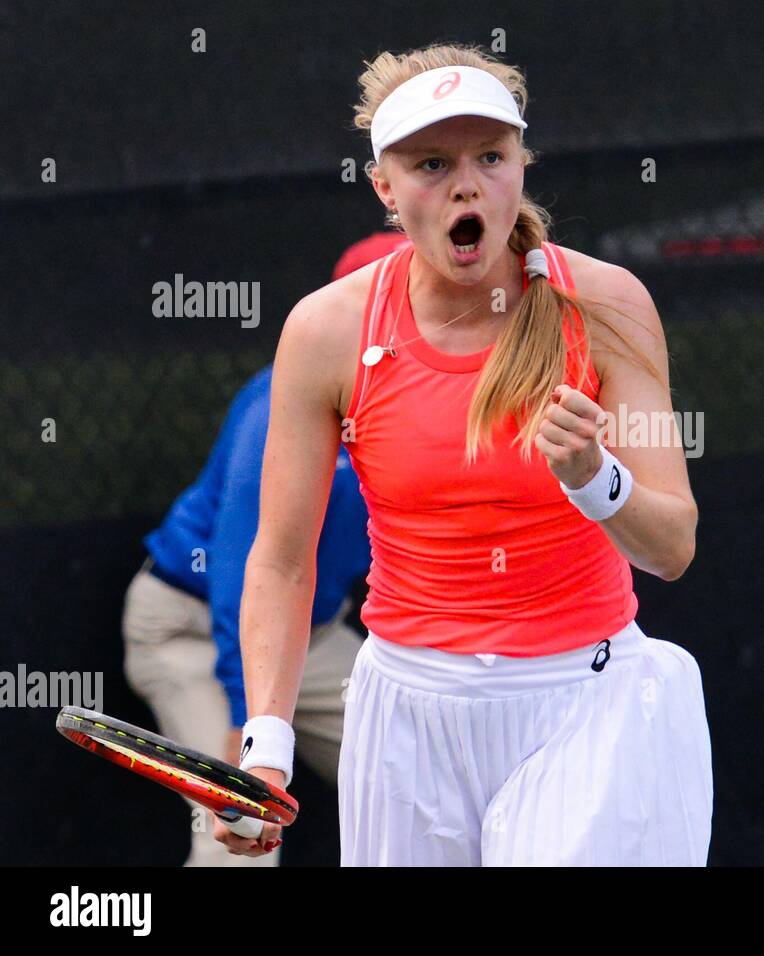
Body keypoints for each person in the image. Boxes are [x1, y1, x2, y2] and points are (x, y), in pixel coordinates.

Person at [219, 42, 712, 866]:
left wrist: (598, 479)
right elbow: (280, 559)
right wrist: (264, 743)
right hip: (406, 720)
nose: (466, 183)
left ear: (522, 163)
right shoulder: (326, 330)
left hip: (586, 707)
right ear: (383, 186)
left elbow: (674, 547)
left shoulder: (611, 304)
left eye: (492, 155)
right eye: (431, 163)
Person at [121, 232, 408, 866]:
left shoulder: (436, 397)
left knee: (417, 779)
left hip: (315, 636)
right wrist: (245, 716)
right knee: (242, 827)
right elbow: (241, 570)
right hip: (196, 630)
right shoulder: (285, 398)